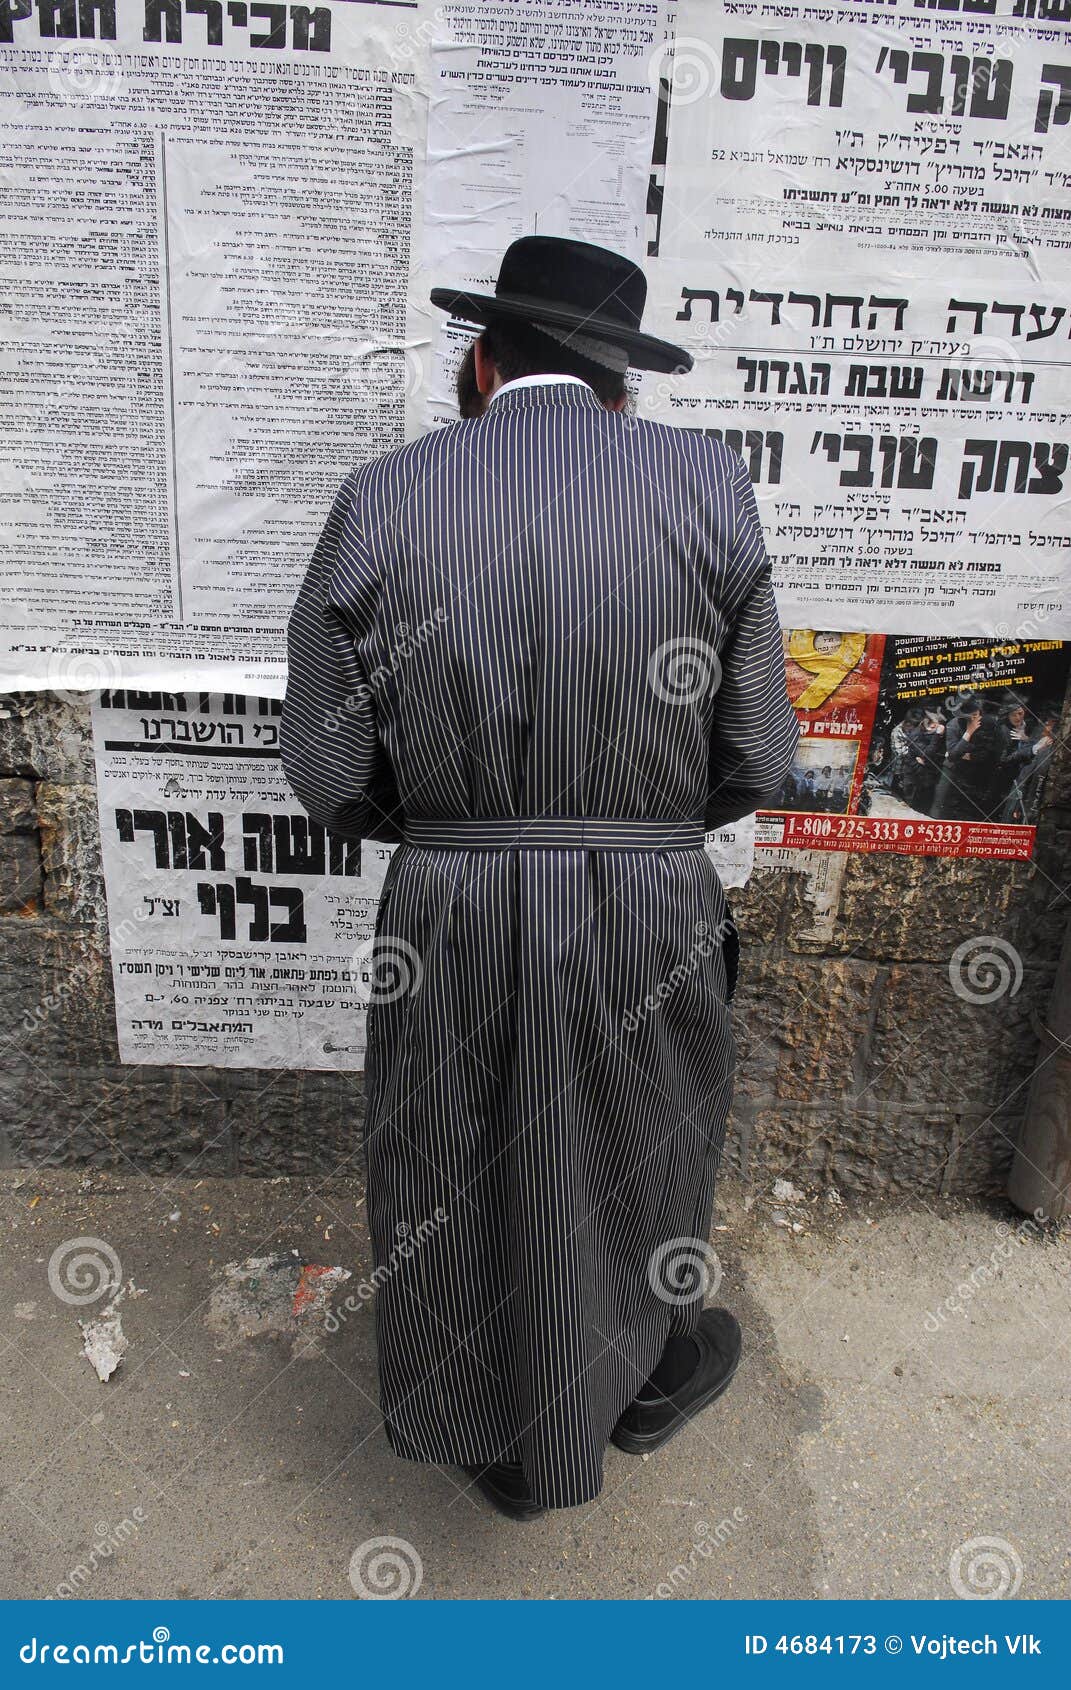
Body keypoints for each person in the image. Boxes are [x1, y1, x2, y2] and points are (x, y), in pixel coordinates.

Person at [281, 235, 799, 1521]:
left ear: (479, 360)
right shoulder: (707, 485)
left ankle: (492, 1430)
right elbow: (761, 749)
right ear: (620, 385)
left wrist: (447, 829)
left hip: (452, 898)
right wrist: (654, 828)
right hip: (647, 901)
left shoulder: (383, 496)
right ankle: (637, 1377)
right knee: (642, 1135)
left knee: (453, 1147)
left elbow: (330, 760)